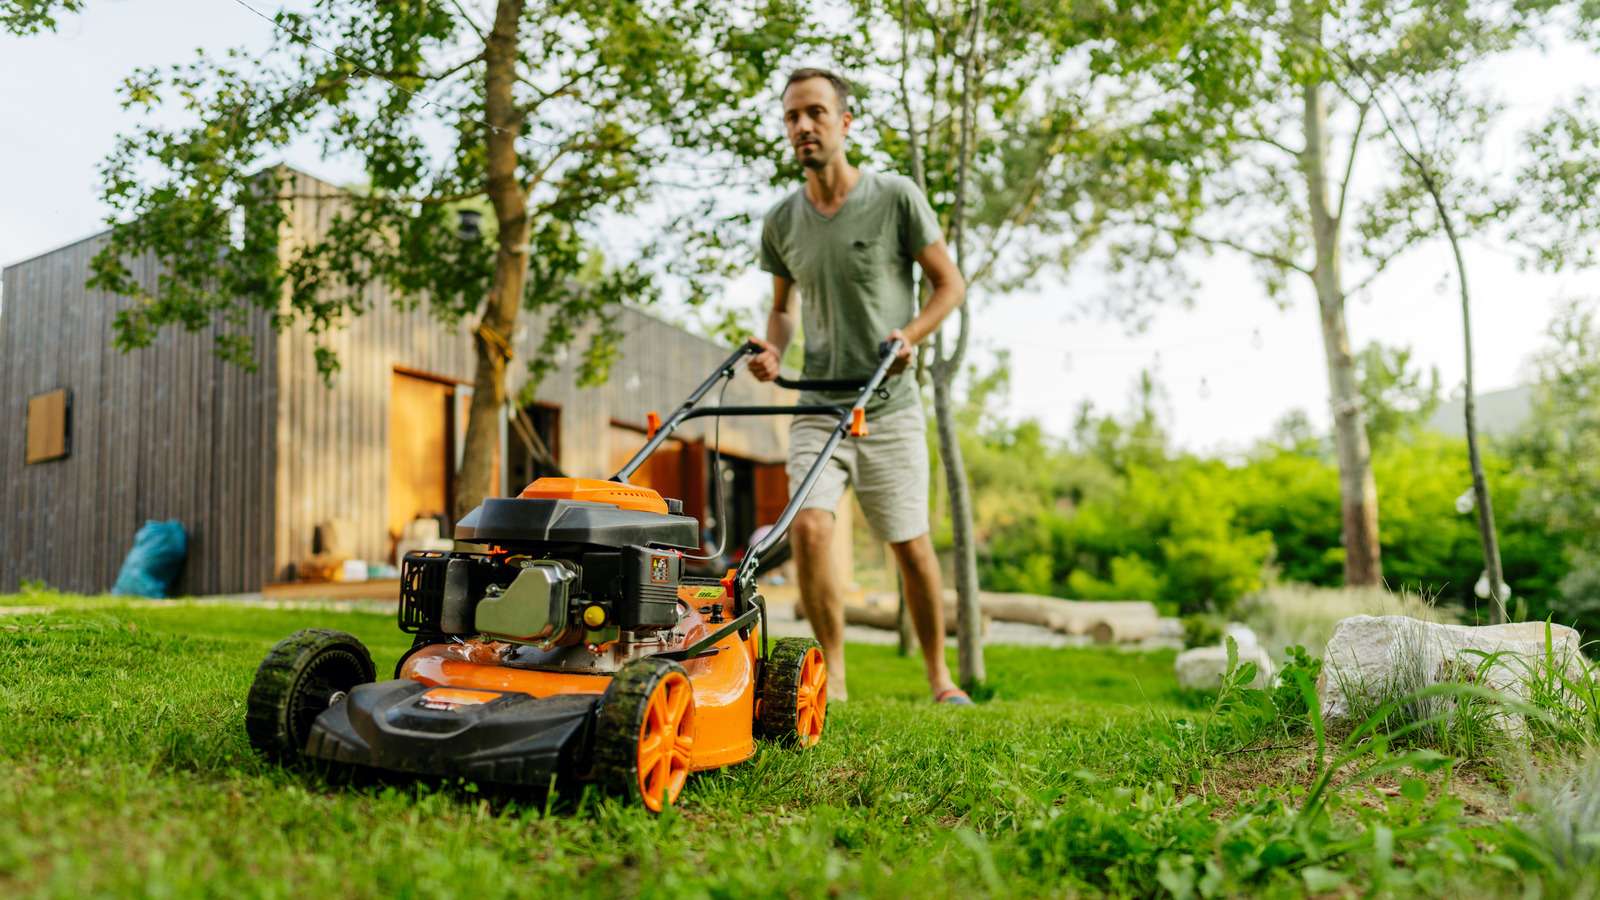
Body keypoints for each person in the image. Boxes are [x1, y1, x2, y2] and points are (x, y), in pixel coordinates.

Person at [748, 67, 970, 705]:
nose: (803, 126)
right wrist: (773, 349)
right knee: (812, 529)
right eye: (792, 116)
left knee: (910, 545)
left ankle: (939, 678)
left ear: (845, 123)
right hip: (820, 403)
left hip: (889, 406)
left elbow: (948, 284)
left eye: (816, 113)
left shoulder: (895, 196)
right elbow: (784, 309)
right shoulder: (781, 220)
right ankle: (834, 679)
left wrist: (910, 335)